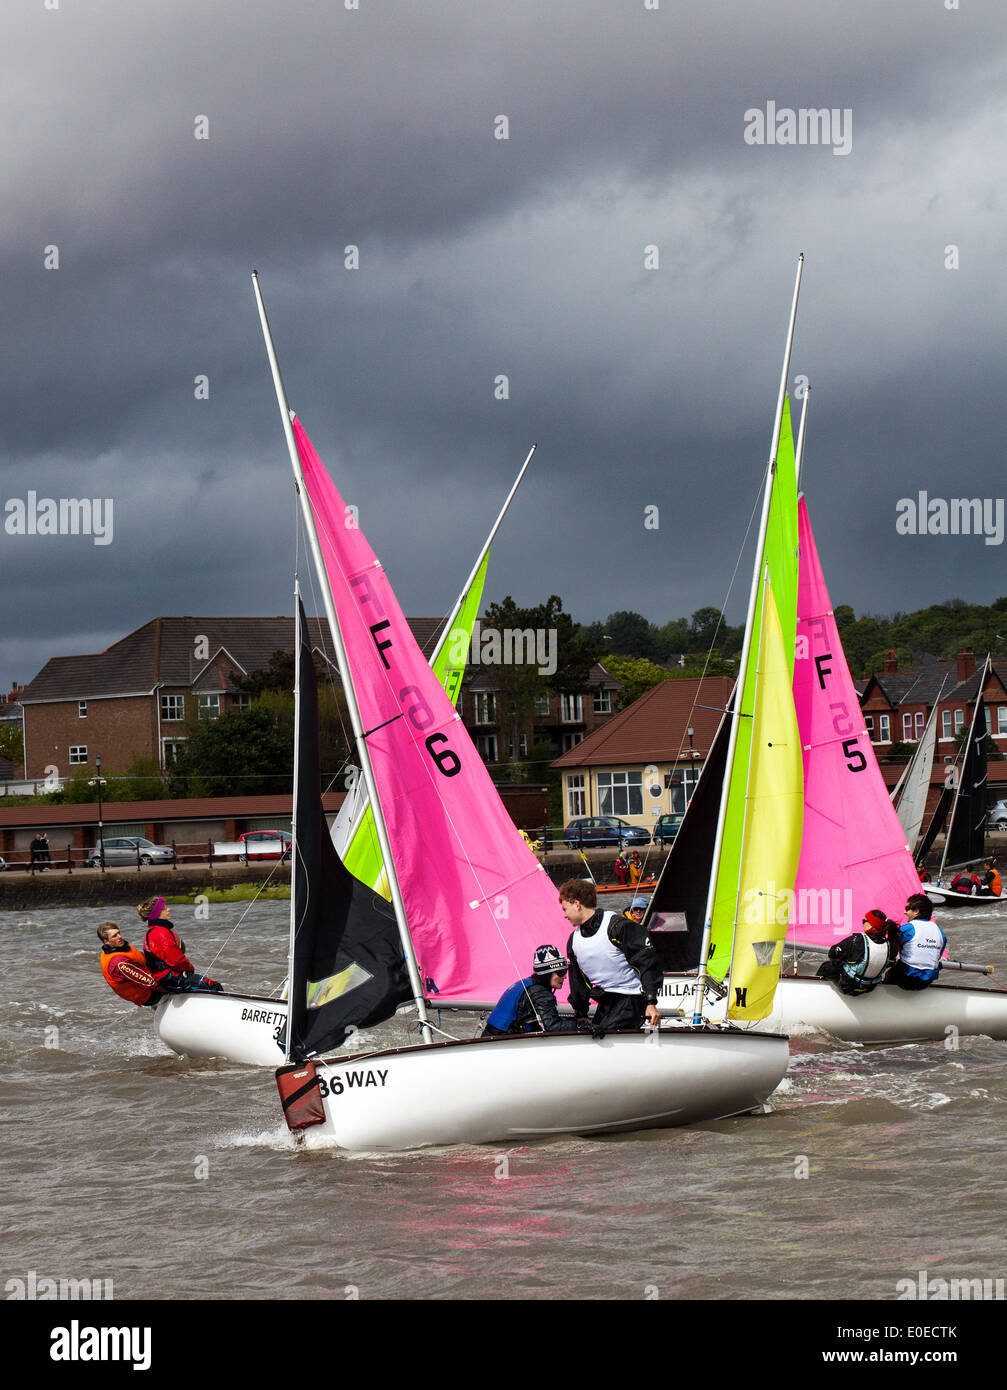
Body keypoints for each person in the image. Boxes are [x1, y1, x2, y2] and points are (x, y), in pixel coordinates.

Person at [559, 878, 662, 1033]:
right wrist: (581, 1015)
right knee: (591, 1032)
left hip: (631, 998)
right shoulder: (573, 942)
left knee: (604, 1033)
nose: (564, 915)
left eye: (565, 909)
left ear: (577, 904)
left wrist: (650, 1003)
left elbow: (648, 963)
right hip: (607, 1001)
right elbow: (578, 983)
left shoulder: (617, 927)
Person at [481, 945, 583, 1037]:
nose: (565, 977)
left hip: (490, 1037)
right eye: (560, 972)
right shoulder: (540, 993)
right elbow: (552, 1026)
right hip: (500, 1043)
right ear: (546, 973)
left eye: (565, 971)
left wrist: (575, 1021)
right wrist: (580, 1024)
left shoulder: (526, 983)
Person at [137, 896, 223, 993]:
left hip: (162, 980)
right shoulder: (162, 932)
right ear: (158, 914)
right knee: (214, 985)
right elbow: (177, 961)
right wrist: (190, 968)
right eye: (165, 909)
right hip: (172, 979)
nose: (168, 910)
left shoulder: (149, 933)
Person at [815, 909, 895, 996]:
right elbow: (890, 963)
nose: (863, 923)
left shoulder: (857, 940)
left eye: (864, 921)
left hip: (849, 987)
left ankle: (816, 993)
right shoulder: (888, 944)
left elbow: (832, 953)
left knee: (826, 966)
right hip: (870, 987)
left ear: (871, 925)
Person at [886, 893, 947, 991]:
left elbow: (890, 949)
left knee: (890, 971)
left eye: (907, 908)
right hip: (927, 981)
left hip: (906, 979)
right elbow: (937, 956)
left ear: (916, 911)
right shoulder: (940, 932)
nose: (904, 912)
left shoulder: (907, 928)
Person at [97, 922, 163, 1007]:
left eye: (119, 933)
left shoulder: (121, 948)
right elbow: (150, 982)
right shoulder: (119, 963)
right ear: (106, 942)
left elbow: (142, 958)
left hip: (148, 980)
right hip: (149, 995)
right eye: (114, 936)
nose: (120, 937)